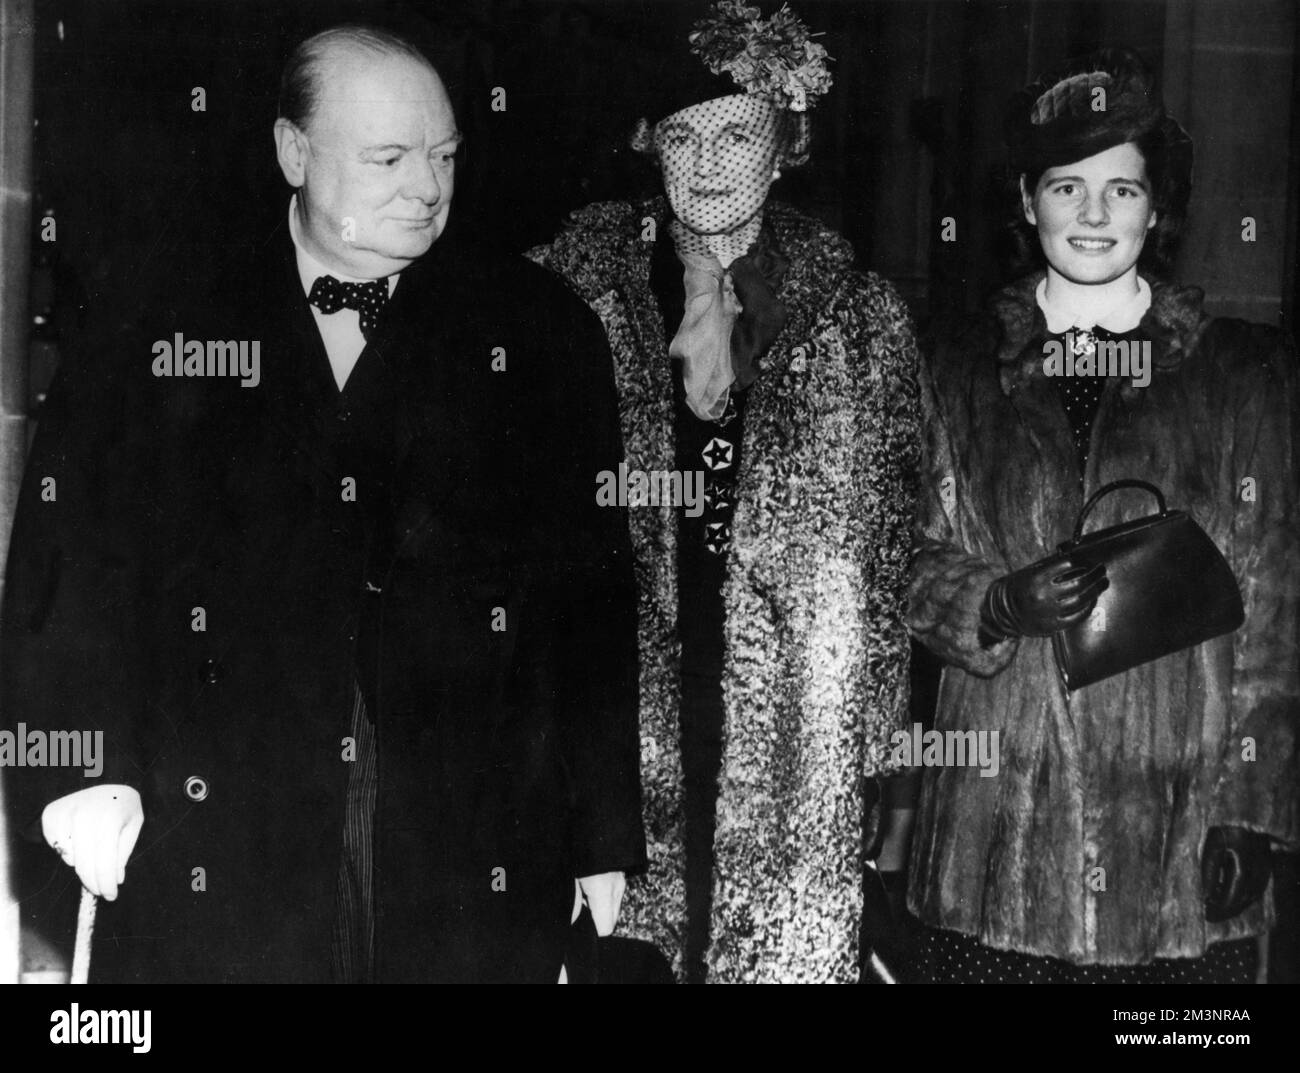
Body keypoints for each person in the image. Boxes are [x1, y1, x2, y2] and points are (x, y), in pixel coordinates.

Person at [1, 24, 644, 984]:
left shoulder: (546, 335)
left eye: (444, 157)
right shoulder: (155, 319)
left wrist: (601, 834)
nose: (427, 188)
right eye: (388, 158)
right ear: (292, 152)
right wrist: (82, 774)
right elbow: (72, 565)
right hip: (220, 828)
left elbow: (591, 603)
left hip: (464, 843)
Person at [528, 0, 920, 983]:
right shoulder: (580, 308)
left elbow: (891, 557)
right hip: (626, 745)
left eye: (736, 134)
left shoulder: (856, 321)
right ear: (650, 149)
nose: (706, 162)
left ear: (786, 144)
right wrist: (569, 800)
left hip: (791, 750)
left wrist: (880, 768)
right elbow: (541, 575)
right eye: (683, 137)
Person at [906, 47, 1297, 982]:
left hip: (1175, 858)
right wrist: (994, 604)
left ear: (1156, 210)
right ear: (1025, 201)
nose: (1092, 215)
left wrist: (1254, 808)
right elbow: (903, 555)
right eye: (1066, 187)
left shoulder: (1239, 375)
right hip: (992, 859)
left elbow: (1279, 609)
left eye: (1120, 191)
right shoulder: (954, 368)